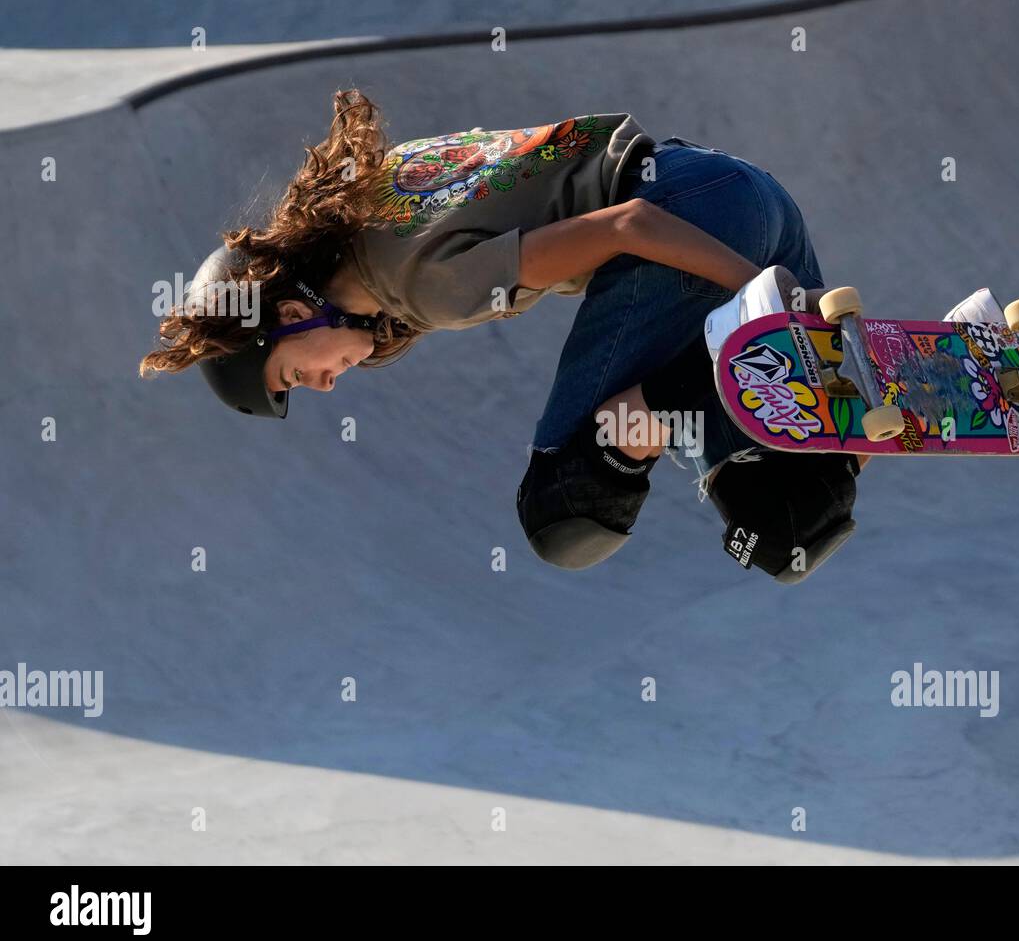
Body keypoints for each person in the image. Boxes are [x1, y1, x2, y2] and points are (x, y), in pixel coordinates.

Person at [140, 89, 860, 583]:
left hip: (687, 221)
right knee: (785, 526)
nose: (326, 384)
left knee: (566, 509)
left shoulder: (429, 284)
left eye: (298, 375)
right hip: (745, 190)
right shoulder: (373, 204)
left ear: (295, 318)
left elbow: (628, 225)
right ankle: (844, 420)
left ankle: (759, 357)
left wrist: (761, 298)